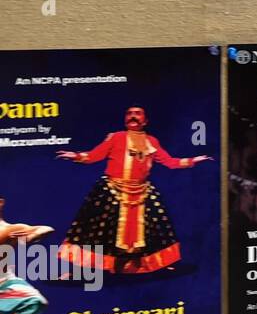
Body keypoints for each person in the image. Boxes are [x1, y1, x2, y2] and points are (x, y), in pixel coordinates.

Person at [55, 107, 212, 273]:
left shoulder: (152, 141)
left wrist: (193, 160)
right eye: (129, 114)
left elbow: (170, 162)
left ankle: (145, 265)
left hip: (142, 192)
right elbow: (95, 155)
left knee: (153, 230)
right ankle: (97, 268)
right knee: (101, 231)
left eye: (137, 114)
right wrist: (77, 156)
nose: (133, 117)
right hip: (113, 190)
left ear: (145, 121)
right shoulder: (116, 137)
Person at [0, 198, 52, 314]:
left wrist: (30, 236)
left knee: (36, 301)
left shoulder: (10, 229)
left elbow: (45, 229)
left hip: (4, 282)